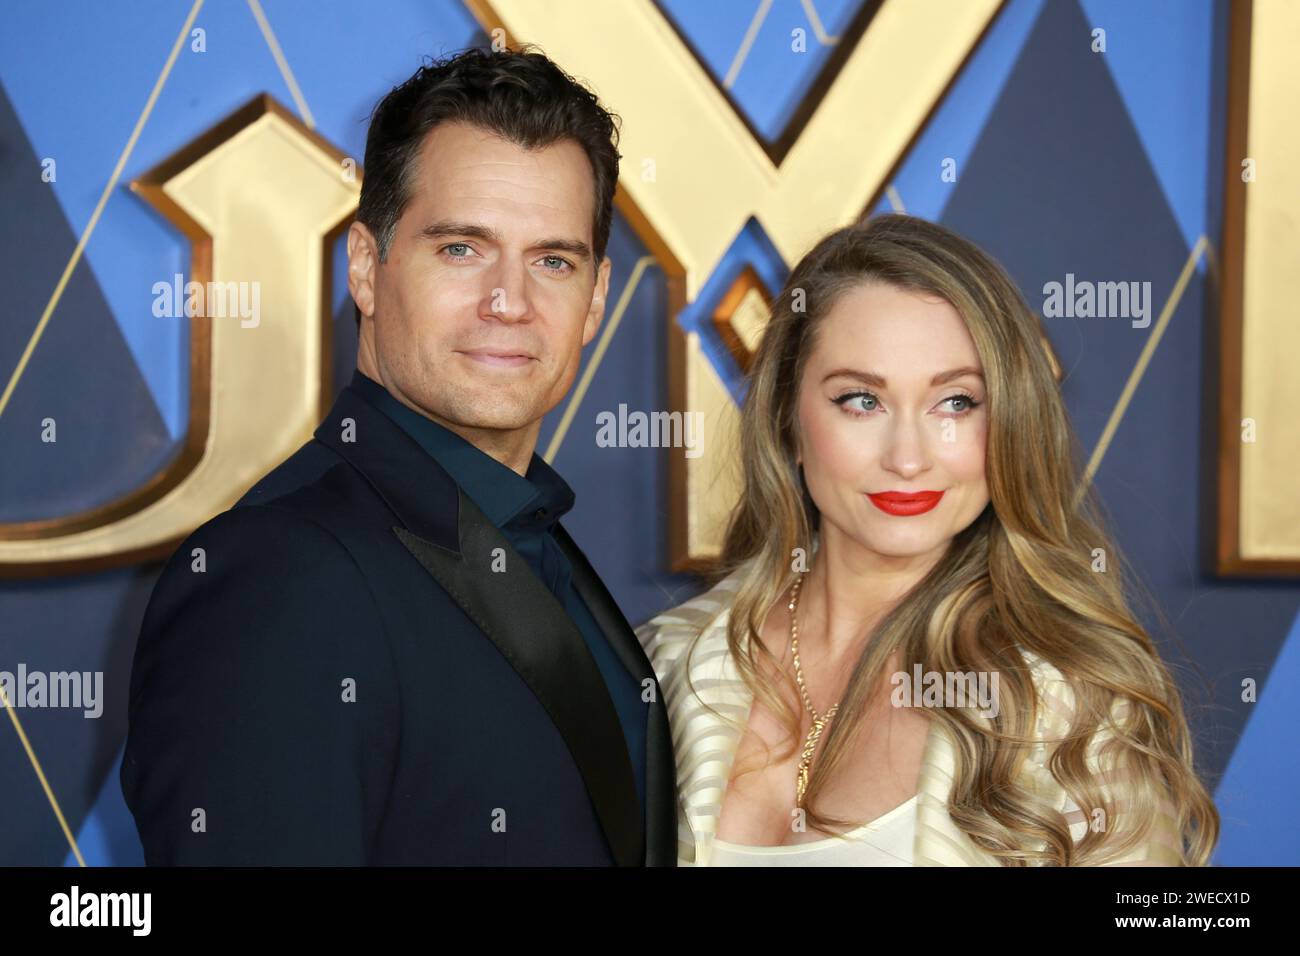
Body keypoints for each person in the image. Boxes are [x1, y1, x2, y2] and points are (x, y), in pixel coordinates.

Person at [121, 46, 677, 866]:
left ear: (595, 300)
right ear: (366, 269)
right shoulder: (279, 576)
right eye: (461, 249)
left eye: (552, 261)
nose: (509, 302)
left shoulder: (535, 535)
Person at [636, 213, 1219, 866]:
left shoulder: (1074, 707)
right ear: (788, 421)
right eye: (861, 400)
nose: (908, 458)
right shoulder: (665, 662)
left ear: (1008, 423)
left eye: (956, 403)